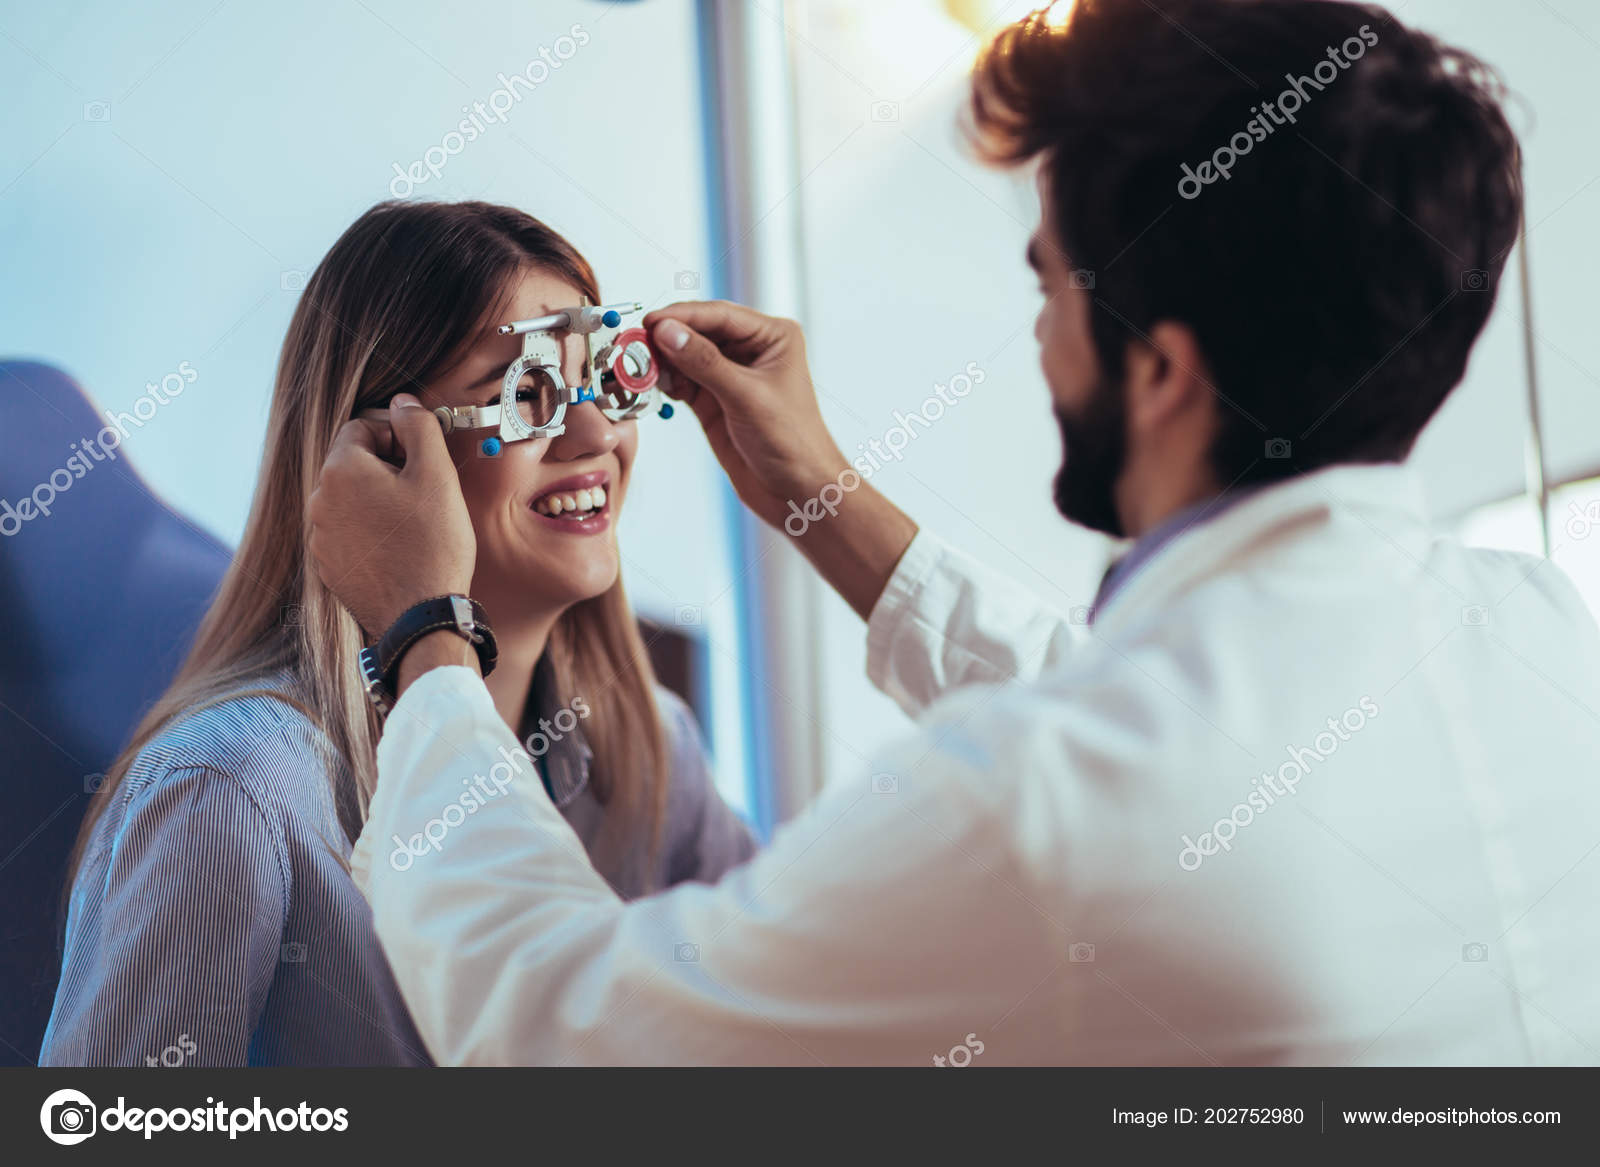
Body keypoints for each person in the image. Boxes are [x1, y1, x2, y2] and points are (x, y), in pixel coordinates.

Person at [311, 0, 1600, 1064]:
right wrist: (817, 493)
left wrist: (427, 639)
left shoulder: (1043, 813)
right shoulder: (1545, 639)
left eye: (1048, 283)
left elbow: (563, 1038)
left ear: (1158, 370)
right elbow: (1159, 729)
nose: (1036, 333)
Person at [41, 201, 753, 1067]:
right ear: (374, 463)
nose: (598, 434)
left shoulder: (648, 748)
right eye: (525, 394)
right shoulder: (231, 792)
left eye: (606, 381)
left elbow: (773, 1032)